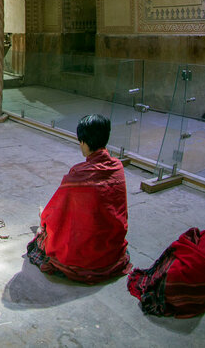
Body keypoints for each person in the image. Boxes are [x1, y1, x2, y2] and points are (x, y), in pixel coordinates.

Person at [26, 114, 132, 284]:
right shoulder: (117, 167)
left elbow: (56, 211)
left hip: (83, 257)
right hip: (111, 250)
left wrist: (44, 218)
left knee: (48, 226)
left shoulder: (78, 174)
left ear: (83, 141)